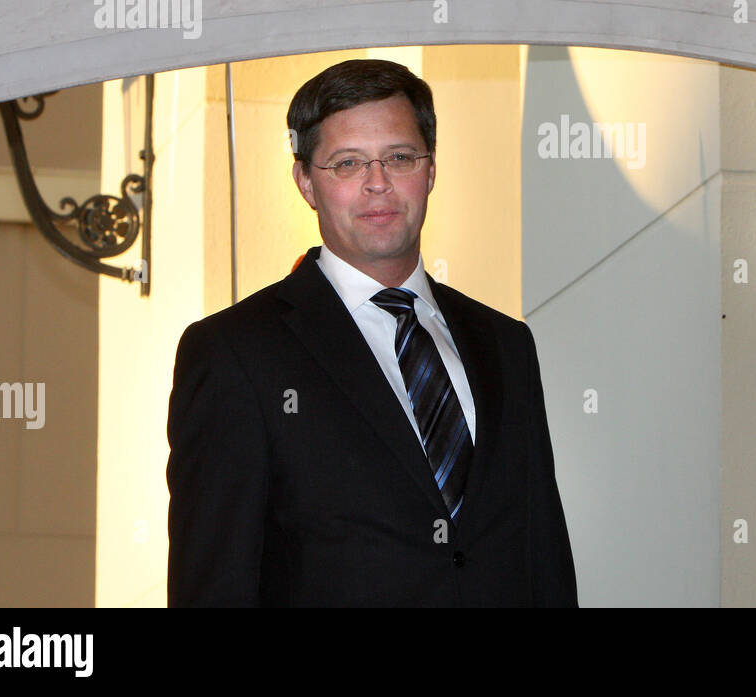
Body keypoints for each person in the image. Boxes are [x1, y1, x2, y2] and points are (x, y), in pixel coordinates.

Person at [167, 59, 578, 606]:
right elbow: (214, 584)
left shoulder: (506, 344)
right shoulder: (234, 354)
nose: (378, 183)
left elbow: (542, 551)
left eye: (400, 157)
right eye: (347, 164)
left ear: (430, 171)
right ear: (306, 182)